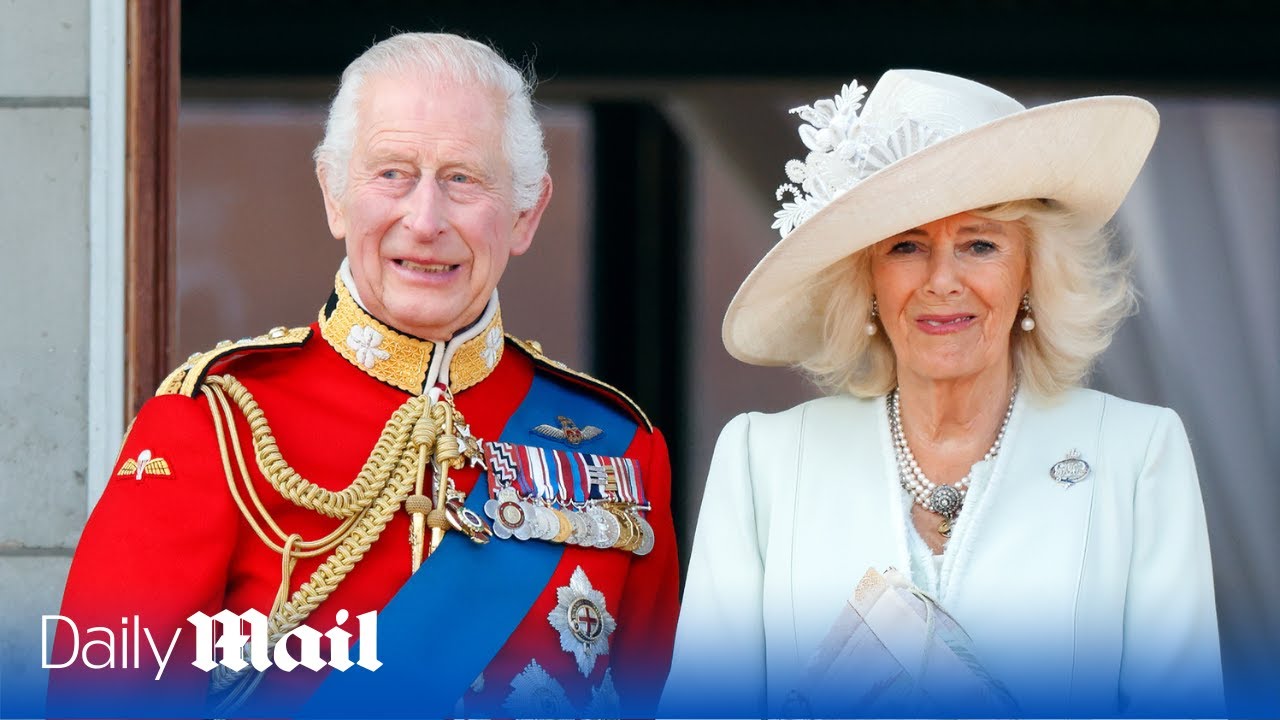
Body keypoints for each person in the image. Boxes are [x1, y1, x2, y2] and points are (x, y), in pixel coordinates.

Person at [48, 32, 677, 718]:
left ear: (527, 213)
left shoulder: (618, 451)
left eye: (463, 178)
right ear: (334, 195)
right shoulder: (215, 425)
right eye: (392, 174)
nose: (426, 219)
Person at [662, 70, 1223, 717]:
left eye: (979, 244)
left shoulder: (1135, 455)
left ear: (1032, 270)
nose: (941, 281)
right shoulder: (764, 460)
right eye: (908, 245)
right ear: (868, 277)